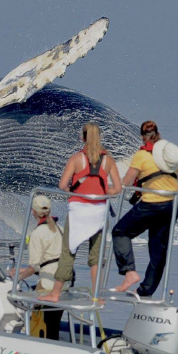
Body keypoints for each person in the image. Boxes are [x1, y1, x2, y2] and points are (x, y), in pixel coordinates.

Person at [38, 123, 121, 303]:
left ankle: (55, 293)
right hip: (99, 212)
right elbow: (118, 188)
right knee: (96, 256)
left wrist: (74, 189)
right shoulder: (108, 160)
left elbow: (62, 186)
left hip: (78, 212)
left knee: (69, 252)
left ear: (82, 138)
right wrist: (106, 193)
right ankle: (97, 295)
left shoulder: (76, 159)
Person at [113, 120, 178, 297]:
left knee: (120, 232)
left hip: (153, 203)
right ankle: (146, 291)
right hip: (174, 204)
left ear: (142, 136)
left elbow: (127, 182)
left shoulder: (142, 156)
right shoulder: (171, 155)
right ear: (158, 134)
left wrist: (112, 188)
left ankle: (129, 272)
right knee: (158, 249)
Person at [10, 195, 65, 339]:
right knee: (54, 323)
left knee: (43, 322)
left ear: (33, 212)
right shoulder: (61, 229)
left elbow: (33, 267)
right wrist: (23, 270)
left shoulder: (37, 233)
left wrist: (18, 277)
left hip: (49, 285)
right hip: (65, 283)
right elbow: (52, 260)